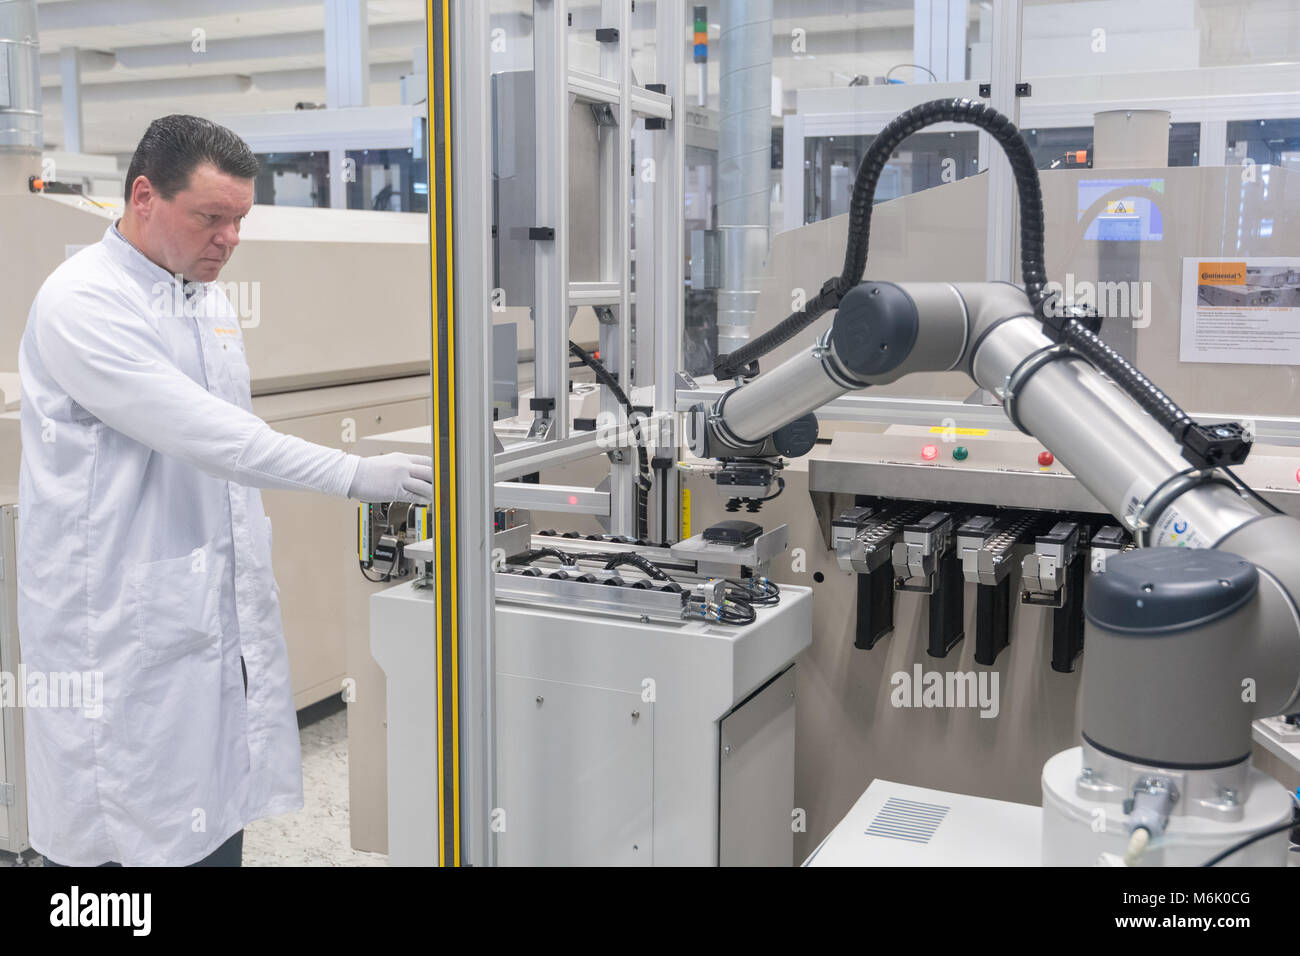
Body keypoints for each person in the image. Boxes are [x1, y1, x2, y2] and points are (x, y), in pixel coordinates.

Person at [17, 114, 432, 867]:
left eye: (240, 220)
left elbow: (230, 436)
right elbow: (213, 435)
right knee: (125, 833)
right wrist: (352, 472)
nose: (230, 239)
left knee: (211, 815)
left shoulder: (200, 296)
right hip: (117, 623)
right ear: (143, 197)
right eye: (211, 217)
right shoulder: (85, 300)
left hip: (201, 609)